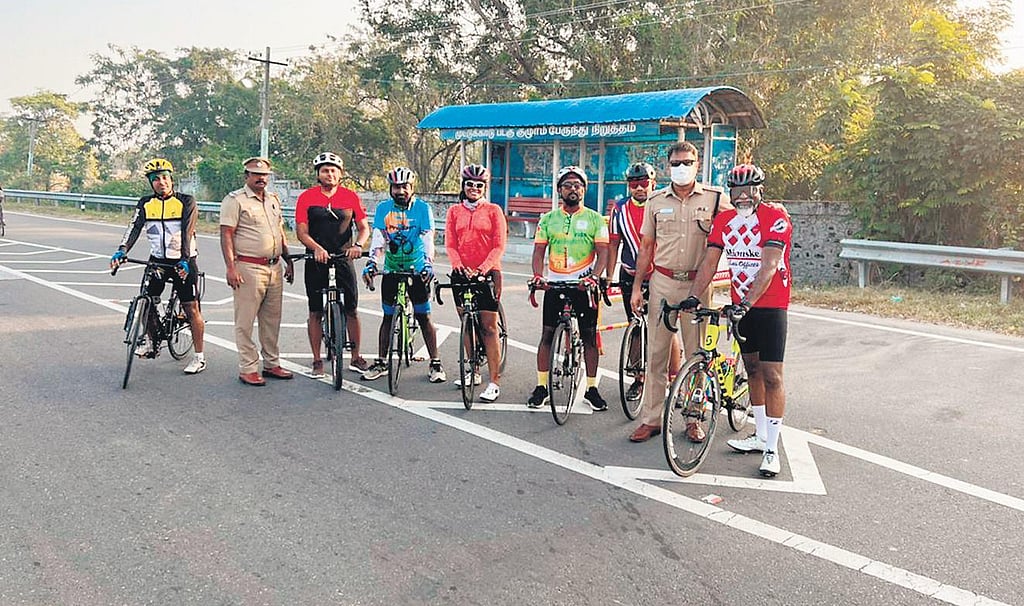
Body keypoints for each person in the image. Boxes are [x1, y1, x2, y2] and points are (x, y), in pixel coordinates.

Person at [680, 163, 792, 477]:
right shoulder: (724, 220)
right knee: (752, 368)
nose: (743, 196)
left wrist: (746, 304)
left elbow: (769, 266)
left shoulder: (776, 218)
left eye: (749, 189)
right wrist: (693, 295)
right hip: (740, 303)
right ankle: (758, 435)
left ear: (760, 190)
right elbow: (709, 261)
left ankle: (771, 448)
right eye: (736, 190)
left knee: (772, 376)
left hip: (770, 305)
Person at [627, 141, 730, 443]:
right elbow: (646, 248)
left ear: (698, 165)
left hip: (698, 287)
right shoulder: (656, 201)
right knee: (656, 355)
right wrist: (637, 288)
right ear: (668, 167)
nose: (681, 168)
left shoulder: (714, 199)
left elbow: (741, 223)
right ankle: (651, 419)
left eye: (687, 162)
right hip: (662, 282)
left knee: (697, 355)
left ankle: (693, 417)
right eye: (676, 164)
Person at [109, 158, 206, 374]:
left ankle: (199, 357)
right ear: (151, 183)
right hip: (158, 260)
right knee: (146, 301)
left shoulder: (185, 201)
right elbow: (133, 228)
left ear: (171, 179)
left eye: (164, 177)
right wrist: (122, 250)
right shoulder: (145, 204)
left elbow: (186, 232)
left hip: (184, 259)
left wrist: (184, 259)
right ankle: (152, 342)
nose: (161, 182)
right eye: (155, 179)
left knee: (191, 307)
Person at [527, 165, 610, 411]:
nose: (573, 189)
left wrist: (595, 277)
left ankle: (592, 389)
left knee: (588, 337)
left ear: (584, 190)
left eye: (577, 185)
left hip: (584, 285)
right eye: (567, 185)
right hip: (556, 282)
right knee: (547, 335)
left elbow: (603, 252)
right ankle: (542, 387)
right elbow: (539, 251)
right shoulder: (548, 219)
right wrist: (538, 276)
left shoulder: (595, 218)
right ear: (559, 190)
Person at [360, 166, 446, 383]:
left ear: (412, 187)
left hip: (417, 268)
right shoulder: (383, 209)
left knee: (424, 316)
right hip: (392, 267)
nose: (400, 191)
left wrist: (427, 264)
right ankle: (381, 361)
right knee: (387, 316)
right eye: (396, 186)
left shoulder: (422, 209)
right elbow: (379, 238)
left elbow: (427, 238)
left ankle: (435, 362)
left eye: (405, 186)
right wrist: (372, 262)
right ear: (391, 188)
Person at [605, 162, 681, 402]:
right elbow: (614, 244)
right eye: (634, 184)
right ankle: (638, 379)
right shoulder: (619, 209)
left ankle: (674, 378)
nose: (639, 189)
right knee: (635, 326)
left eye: (643, 184)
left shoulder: (661, 204)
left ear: (652, 184)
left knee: (667, 329)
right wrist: (608, 277)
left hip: (660, 275)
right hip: (629, 272)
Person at [219, 157, 295, 387]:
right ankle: (248, 368)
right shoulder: (235, 200)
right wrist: (231, 267)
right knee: (245, 320)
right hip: (248, 268)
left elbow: (279, 233)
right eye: (255, 174)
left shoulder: (273, 199)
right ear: (246, 176)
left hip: (274, 267)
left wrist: (288, 260)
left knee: (272, 320)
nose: (261, 178)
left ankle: (271, 363)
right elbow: (226, 234)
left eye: (264, 175)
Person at [294, 152, 371, 377]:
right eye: (325, 170)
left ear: (340, 173)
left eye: (333, 170)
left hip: (343, 258)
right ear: (318, 174)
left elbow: (364, 227)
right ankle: (317, 359)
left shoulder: (350, 196)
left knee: (352, 309)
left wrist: (357, 245)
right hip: (316, 259)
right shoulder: (307, 197)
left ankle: (356, 357)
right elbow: (301, 230)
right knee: (315, 310)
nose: (329, 174)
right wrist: (316, 248)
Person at [444, 164, 508, 402]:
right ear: (463, 186)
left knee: (489, 328)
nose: (474, 188)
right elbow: (450, 243)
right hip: (461, 271)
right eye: (469, 184)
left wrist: (482, 269)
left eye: (479, 185)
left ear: (485, 187)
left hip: (487, 272)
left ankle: (494, 381)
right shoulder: (454, 211)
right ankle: (474, 370)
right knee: (466, 322)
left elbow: (499, 245)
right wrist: (458, 264)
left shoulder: (493, 210)